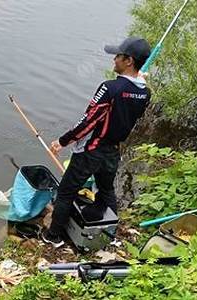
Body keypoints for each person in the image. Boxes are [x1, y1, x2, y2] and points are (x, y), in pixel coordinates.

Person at [42, 37, 152, 248]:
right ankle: (109, 234)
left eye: (118, 57)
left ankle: (53, 236)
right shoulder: (144, 92)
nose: (114, 61)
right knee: (106, 189)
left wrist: (62, 141)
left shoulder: (110, 88)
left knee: (66, 191)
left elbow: (88, 120)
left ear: (128, 61)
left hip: (92, 150)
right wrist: (139, 82)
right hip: (113, 151)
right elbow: (133, 104)